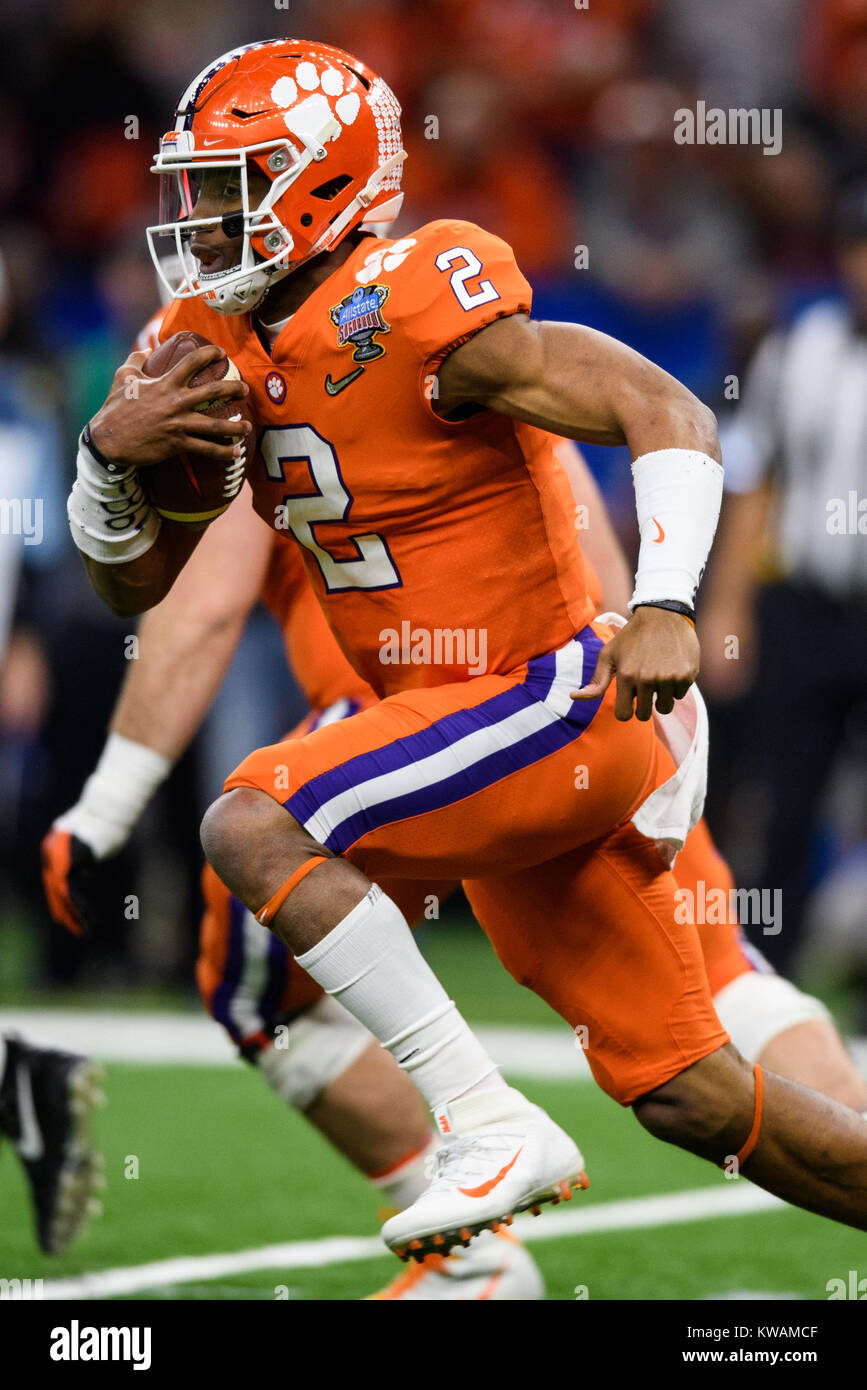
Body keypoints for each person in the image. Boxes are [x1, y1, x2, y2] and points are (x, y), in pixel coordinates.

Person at [66, 39, 867, 1260]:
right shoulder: (203, 346)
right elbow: (143, 582)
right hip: (478, 746)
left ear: (322, 181)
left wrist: (664, 599)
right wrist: (105, 469)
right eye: (198, 187)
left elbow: (666, 408)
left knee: (251, 819)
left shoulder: (412, 295)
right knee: (689, 1093)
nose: (205, 216)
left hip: (556, 700)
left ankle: (482, 1114)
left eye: (237, 184)